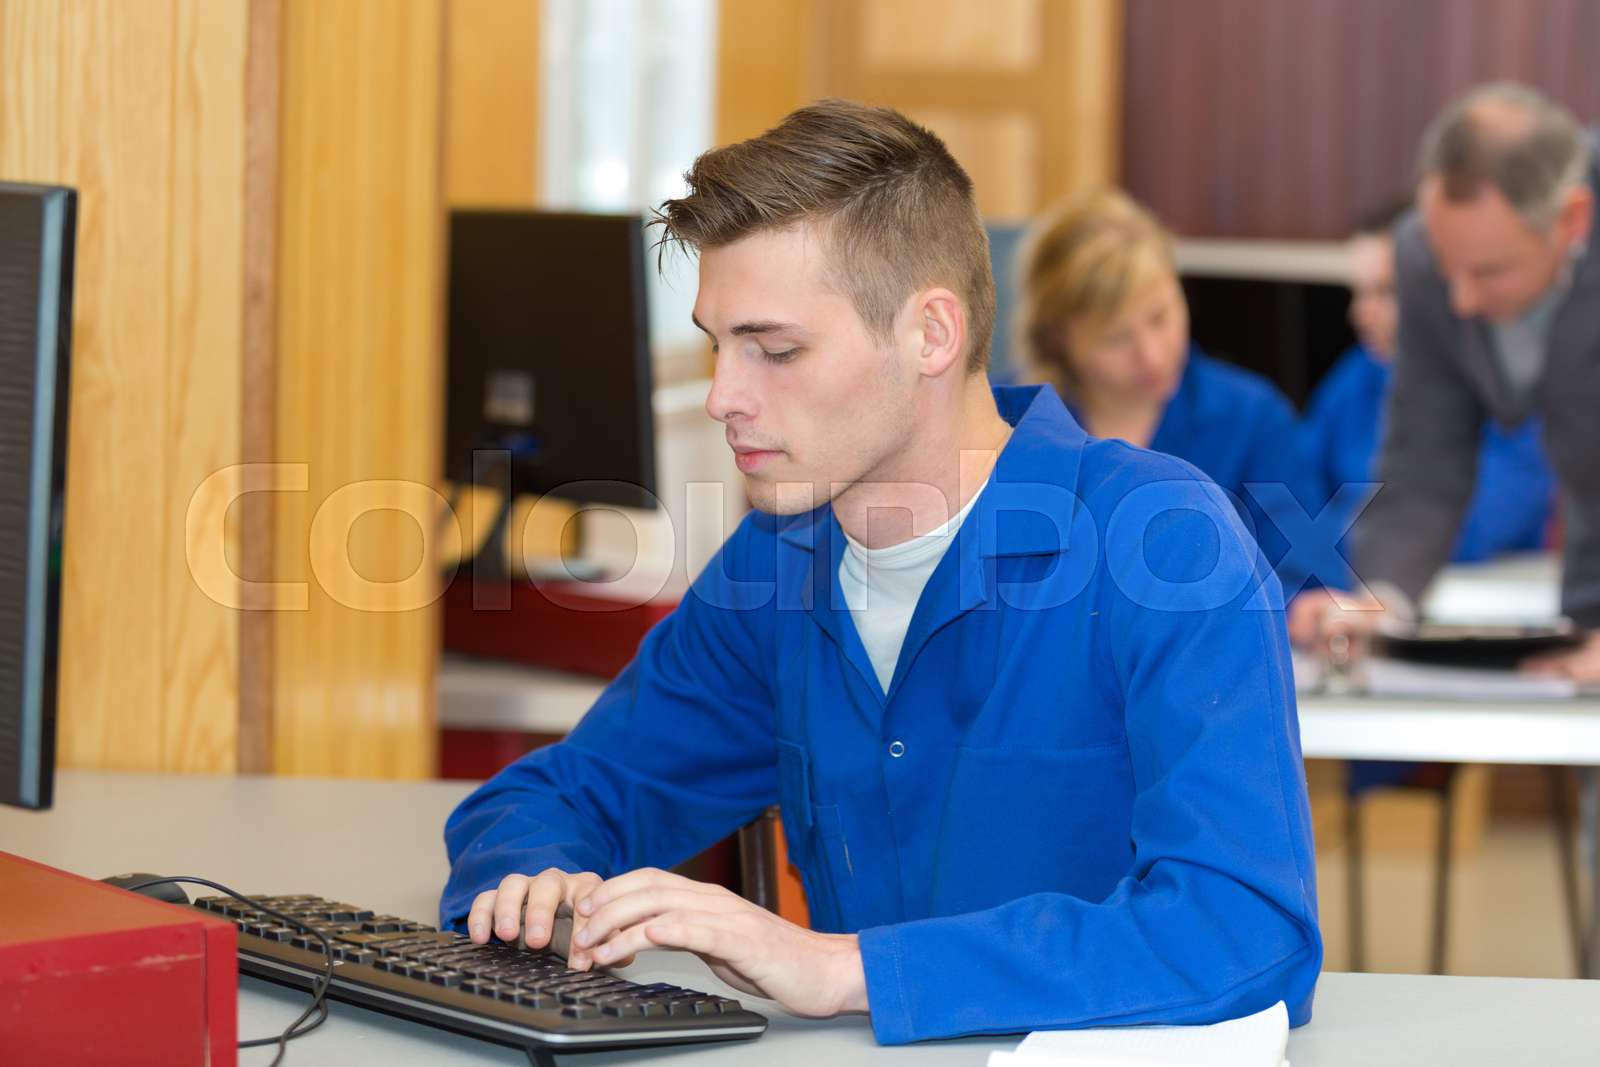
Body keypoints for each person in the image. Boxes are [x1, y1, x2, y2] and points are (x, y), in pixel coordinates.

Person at [440, 99, 1321, 1045]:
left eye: (776, 350)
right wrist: (539, 883)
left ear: (931, 334)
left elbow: (1245, 928)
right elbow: (546, 799)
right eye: (716, 344)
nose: (724, 396)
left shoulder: (1167, 541)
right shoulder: (776, 564)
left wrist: (843, 968)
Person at [1290, 83, 1597, 682]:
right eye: (1448, 268)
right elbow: (1424, 454)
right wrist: (1383, 598)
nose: (1461, 300)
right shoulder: (1420, 253)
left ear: (1572, 220)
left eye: (1488, 272)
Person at [1015, 189, 1328, 598]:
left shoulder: (1252, 418)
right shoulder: (1012, 426)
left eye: (1160, 317)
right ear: (1058, 339)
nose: (1152, 356)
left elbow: (1306, 578)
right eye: (1116, 339)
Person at [1302, 199, 1556, 568]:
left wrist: (1339, 527)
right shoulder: (1357, 374)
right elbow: (1294, 507)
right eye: (1358, 292)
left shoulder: (1513, 383)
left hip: (1480, 596)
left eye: (1385, 292)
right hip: (1363, 589)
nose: (1359, 312)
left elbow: (1466, 533)